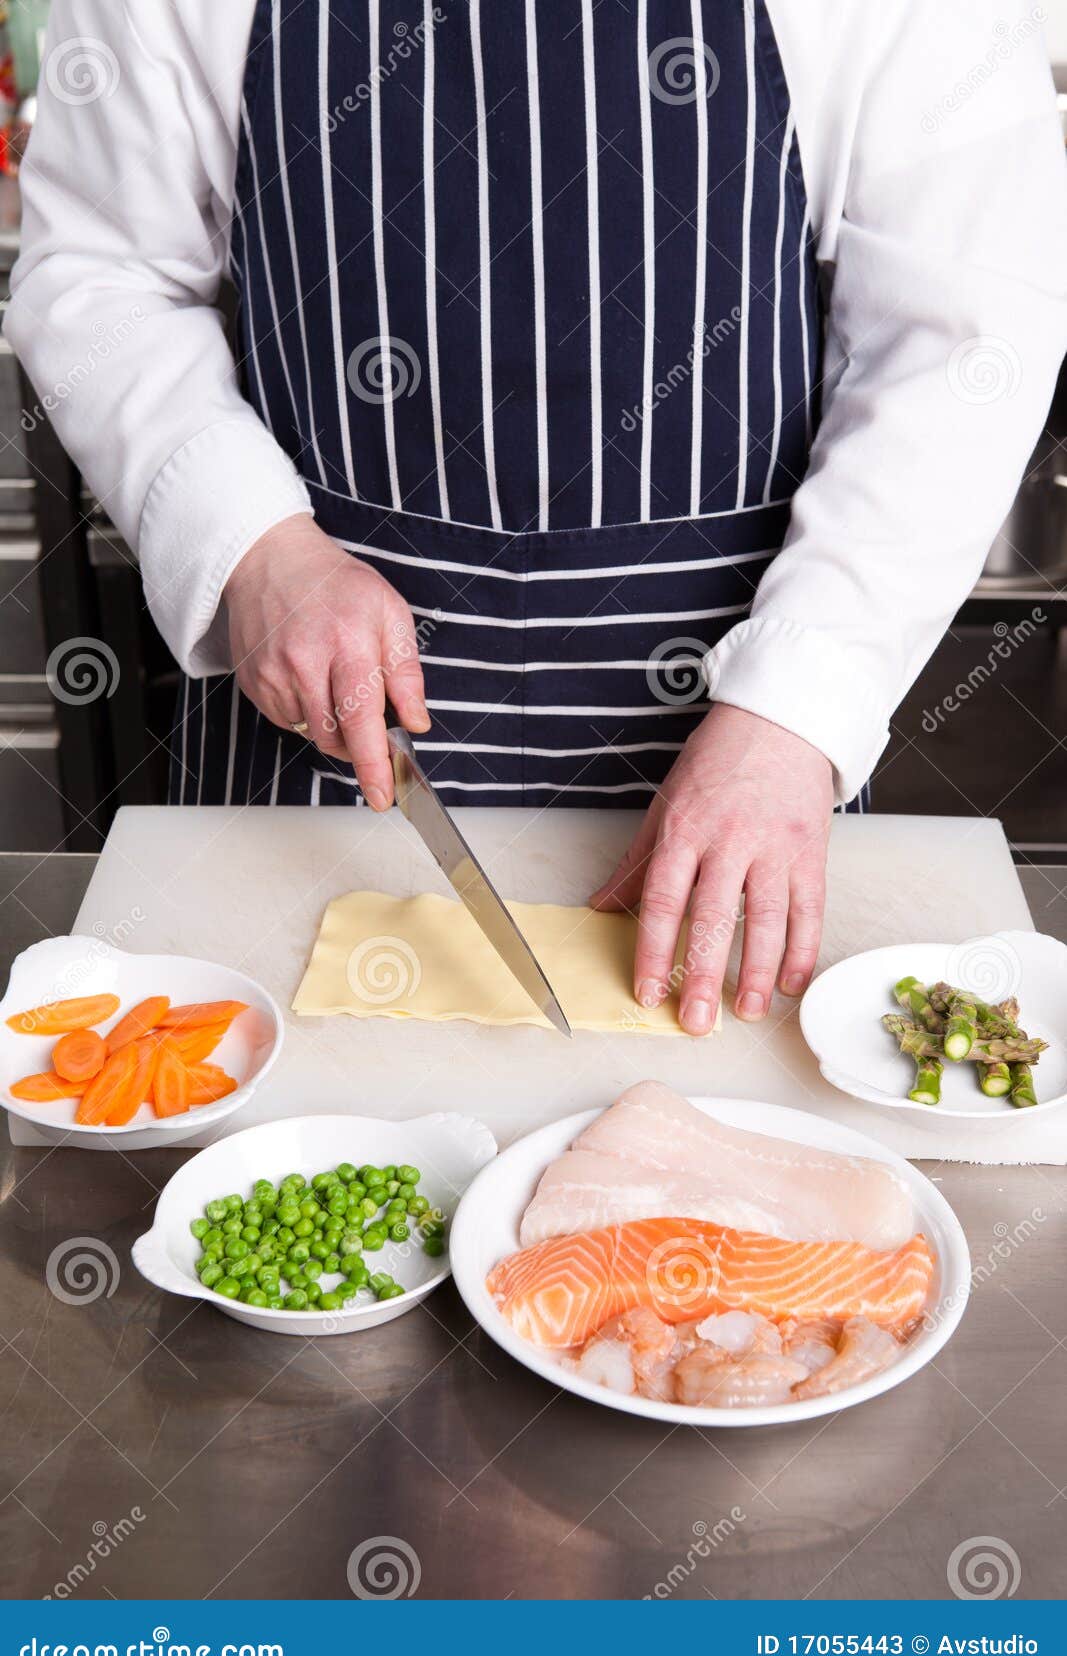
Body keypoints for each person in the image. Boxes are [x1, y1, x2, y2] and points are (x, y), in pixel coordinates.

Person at [8, 1, 1067, 1035]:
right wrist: (251, 546)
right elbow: (101, 276)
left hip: (739, 722)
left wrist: (799, 699)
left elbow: (968, 335)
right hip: (317, 703)